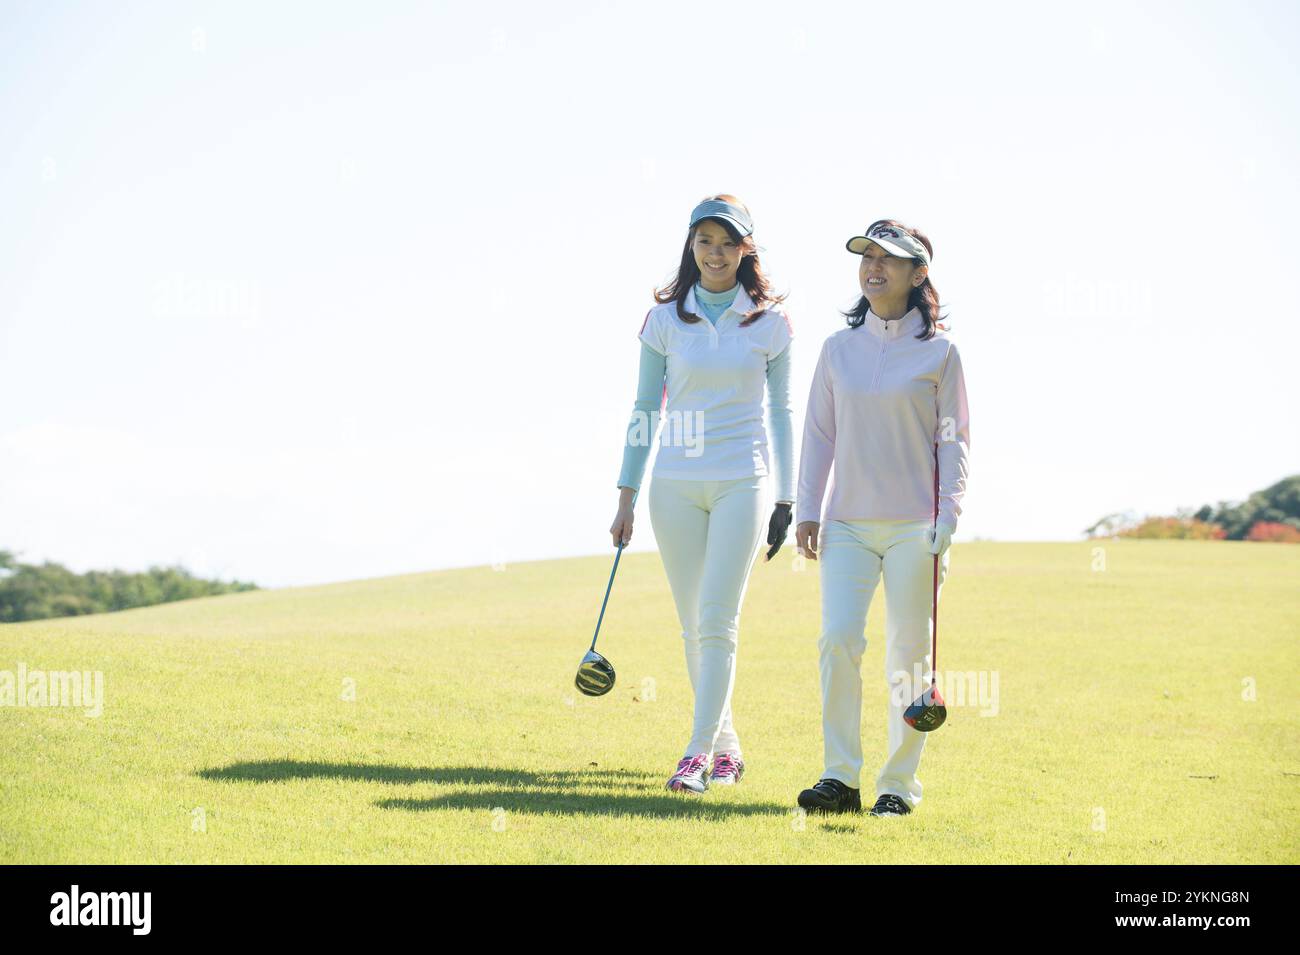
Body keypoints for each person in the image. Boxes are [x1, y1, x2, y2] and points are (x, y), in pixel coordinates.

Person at [609, 194, 795, 794]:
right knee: (693, 625)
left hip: (743, 479)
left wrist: (787, 498)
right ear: (692, 247)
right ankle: (727, 747)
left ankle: (695, 754)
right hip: (674, 487)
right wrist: (626, 494)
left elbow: (782, 410)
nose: (715, 253)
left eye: (727, 242)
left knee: (718, 618)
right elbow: (644, 408)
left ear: (746, 250)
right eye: (705, 241)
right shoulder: (665, 319)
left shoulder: (769, 322)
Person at [794, 219, 970, 817]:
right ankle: (839, 777)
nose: (874, 267)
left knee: (907, 655)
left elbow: (955, 440)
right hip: (846, 523)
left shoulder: (942, 353)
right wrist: (807, 509)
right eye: (867, 256)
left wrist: (949, 515)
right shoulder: (837, 350)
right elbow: (819, 434)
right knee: (838, 640)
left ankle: (897, 787)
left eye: (889, 259)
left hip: (913, 527)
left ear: (918, 273)